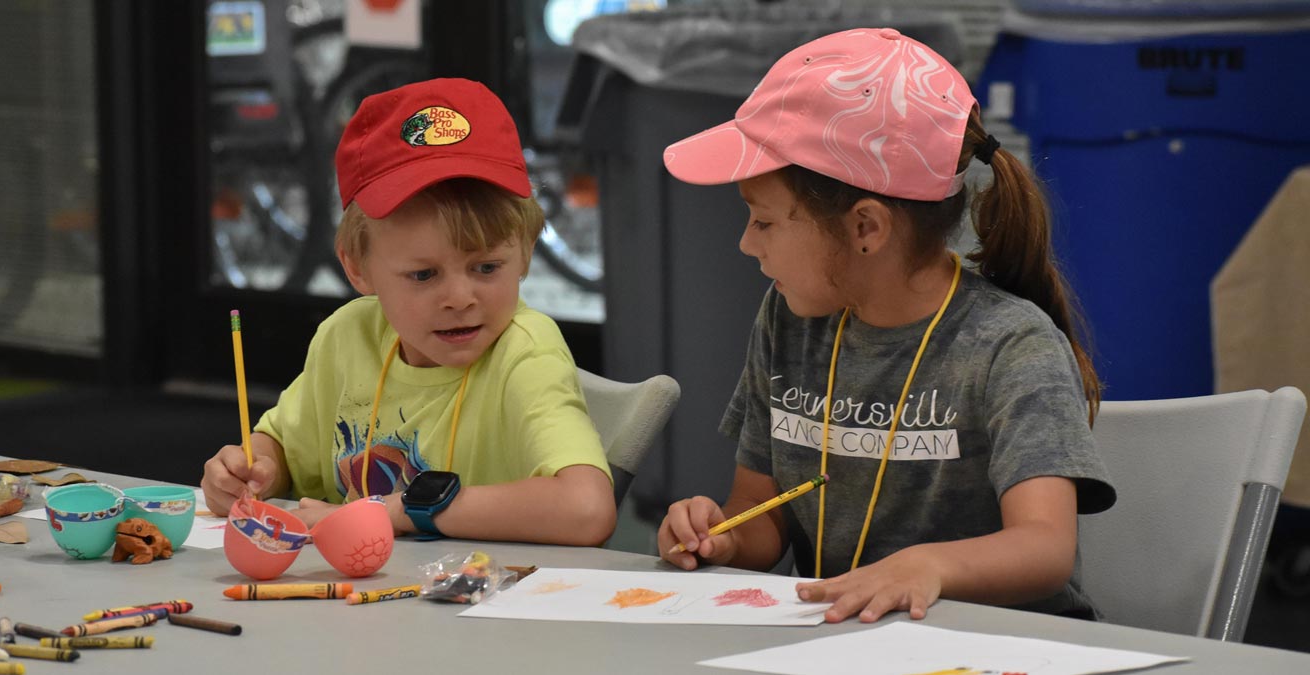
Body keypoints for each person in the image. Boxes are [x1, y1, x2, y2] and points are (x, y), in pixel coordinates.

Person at [655, 28, 1116, 623]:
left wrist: (928, 568)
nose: (746, 244)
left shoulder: (1010, 346)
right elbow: (760, 511)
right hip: (844, 643)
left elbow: (1045, 549)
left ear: (866, 228)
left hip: (996, 647)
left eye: (763, 222)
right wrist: (724, 536)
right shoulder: (788, 320)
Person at [201, 78, 617, 546]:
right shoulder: (347, 337)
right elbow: (280, 448)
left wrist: (396, 509)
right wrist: (250, 469)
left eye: (486, 266)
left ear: (523, 253)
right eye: (424, 275)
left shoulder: (525, 353)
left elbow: (586, 510)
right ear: (357, 268)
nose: (460, 297)